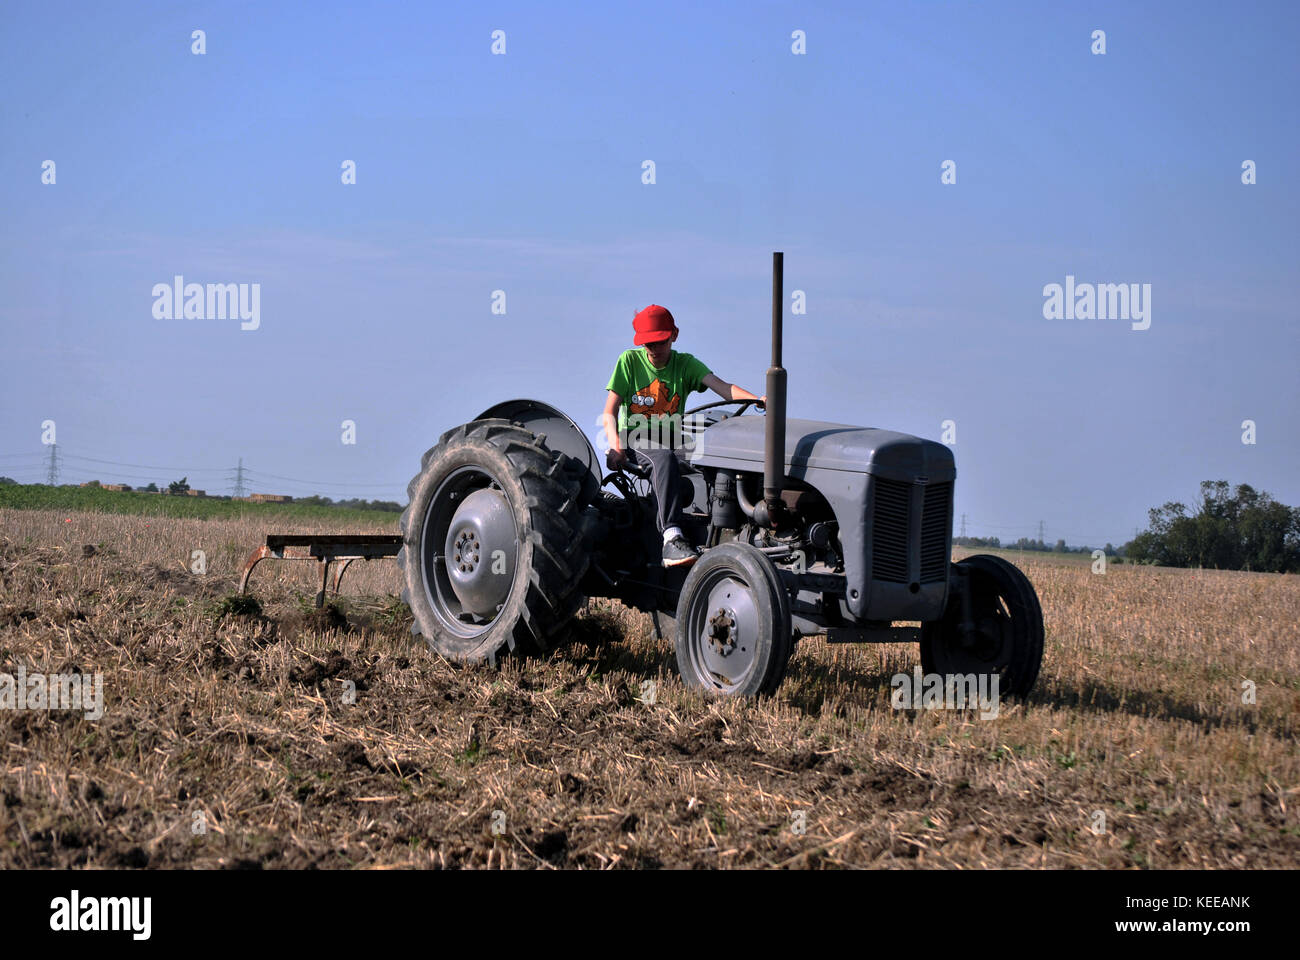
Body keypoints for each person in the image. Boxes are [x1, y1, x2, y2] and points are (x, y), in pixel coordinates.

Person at [601, 304, 764, 568]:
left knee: (714, 453)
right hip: (635, 439)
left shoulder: (685, 364)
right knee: (663, 458)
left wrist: (756, 399)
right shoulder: (629, 362)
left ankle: (725, 530)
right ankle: (671, 538)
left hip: (672, 440)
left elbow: (722, 388)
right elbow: (610, 411)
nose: (654, 350)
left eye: (660, 342)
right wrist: (615, 447)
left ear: (674, 335)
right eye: (648, 344)